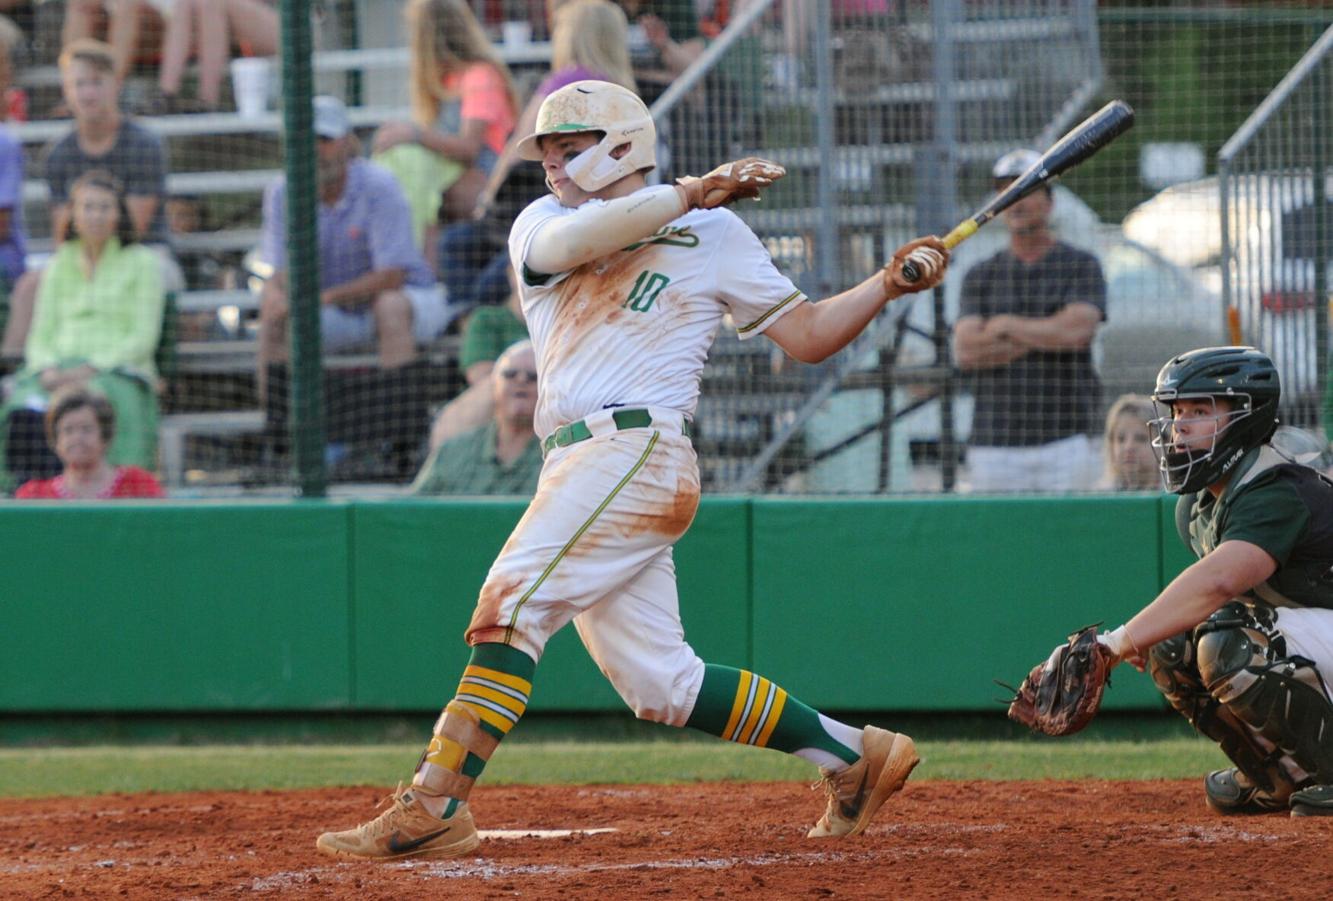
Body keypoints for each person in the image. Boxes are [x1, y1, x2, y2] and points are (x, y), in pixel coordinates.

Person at [315, 80, 949, 860]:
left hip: (635, 448)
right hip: (577, 461)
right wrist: (689, 193)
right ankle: (855, 757)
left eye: (567, 147)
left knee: (510, 604)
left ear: (620, 143)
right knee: (661, 684)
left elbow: (810, 333)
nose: (551, 164)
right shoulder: (542, 223)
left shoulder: (712, 232)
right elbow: (572, 247)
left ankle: (436, 802)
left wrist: (886, 285)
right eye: (545, 149)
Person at [1078, 346, 1333, 817]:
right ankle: (1278, 774)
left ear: (1245, 416)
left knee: (1229, 645)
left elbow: (1219, 582)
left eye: (1200, 411)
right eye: (1177, 412)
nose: (1180, 426)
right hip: (1321, 636)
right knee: (1171, 643)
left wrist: (1113, 644)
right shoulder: (1197, 507)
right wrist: (1145, 638)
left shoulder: (1274, 489)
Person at [437, 0, 637, 313]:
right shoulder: (622, 90)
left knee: (466, 261)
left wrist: (486, 201)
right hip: (580, 215)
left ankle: (473, 328)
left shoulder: (566, 82)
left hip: (543, 212)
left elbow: (517, 147)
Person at [256, 95, 453, 405]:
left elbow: (392, 277)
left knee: (390, 306)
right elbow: (279, 272)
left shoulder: (379, 185)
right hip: (328, 309)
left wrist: (321, 299)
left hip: (409, 299)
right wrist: (279, 295)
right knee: (272, 309)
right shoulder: (281, 191)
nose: (316, 150)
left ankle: (401, 436)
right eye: (306, 140)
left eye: (325, 140)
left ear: (347, 143)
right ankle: (280, 435)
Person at [1, 38, 179, 357]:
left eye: (97, 82)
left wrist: (95, 269)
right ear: (66, 90)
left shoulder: (144, 144)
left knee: (148, 277)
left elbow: (131, 228)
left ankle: (136, 373)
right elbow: (63, 232)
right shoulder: (58, 152)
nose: (88, 93)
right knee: (30, 286)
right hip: (82, 253)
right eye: (79, 84)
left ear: (117, 84)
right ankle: (19, 382)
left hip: (140, 252)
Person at [953, 148, 1107, 493]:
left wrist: (1006, 326)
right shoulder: (980, 274)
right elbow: (966, 350)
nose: (1016, 203)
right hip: (994, 443)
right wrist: (1046, 333)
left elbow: (1077, 332)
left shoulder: (1080, 265)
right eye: (1006, 193)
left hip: (1066, 439)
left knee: (1069, 537)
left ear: (1050, 202)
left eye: (1025, 191)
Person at [0, 169, 164, 487]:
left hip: (116, 371)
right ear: (73, 215)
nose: (96, 215)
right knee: (22, 405)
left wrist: (91, 369)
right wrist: (47, 369)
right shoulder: (58, 264)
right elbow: (41, 333)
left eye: (105, 207)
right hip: (56, 371)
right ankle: (27, 492)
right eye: (88, 207)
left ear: (119, 215)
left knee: (97, 402)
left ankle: (111, 491)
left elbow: (142, 338)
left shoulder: (142, 262)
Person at [371, 0, 518, 251]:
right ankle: (398, 252)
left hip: (489, 178)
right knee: (399, 159)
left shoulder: (480, 75)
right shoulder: (445, 80)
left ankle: (413, 261)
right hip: (451, 176)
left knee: (412, 162)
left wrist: (413, 134)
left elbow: (470, 148)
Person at [411, 339, 542, 496]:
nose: (521, 380)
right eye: (510, 374)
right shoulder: (453, 451)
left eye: (533, 376)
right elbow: (414, 513)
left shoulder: (562, 453)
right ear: (493, 385)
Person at [426, 270, 528, 451]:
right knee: (497, 384)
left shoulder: (563, 320)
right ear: (510, 274)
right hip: (492, 413)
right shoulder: (487, 318)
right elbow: (479, 375)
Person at [15, 385, 164, 499]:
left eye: (86, 429)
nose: (77, 438)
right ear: (56, 439)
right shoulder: (34, 495)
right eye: (68, 430)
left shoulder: (138, 484)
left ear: (105, 435)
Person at [156, 0, 278, 110]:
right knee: (184, 3)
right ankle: (166, 95)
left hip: (285, 27)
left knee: (211, 2)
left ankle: (207, 100)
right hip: (238, 23)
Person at [62, 1, 169, 84]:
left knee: (126, 5)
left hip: (157, 27)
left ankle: (110, 87)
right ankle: (73, 86)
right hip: (109, 21)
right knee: (81, 3)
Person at [1097, 393, 1157, 491]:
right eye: (1121, 439)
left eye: (1140, 439)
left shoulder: (1175, 495)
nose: (1128, 447)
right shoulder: (1099, 497)